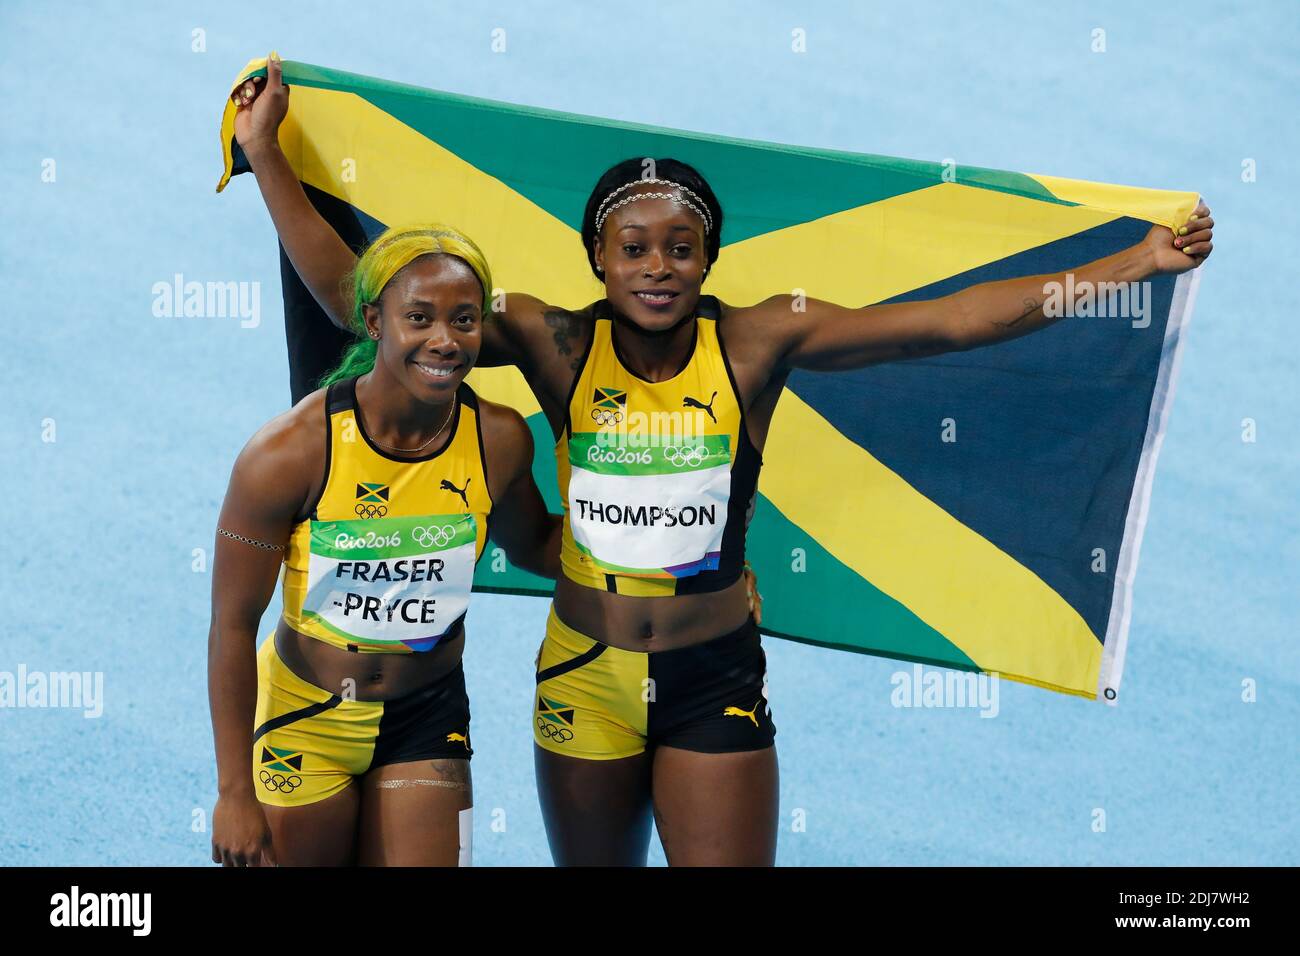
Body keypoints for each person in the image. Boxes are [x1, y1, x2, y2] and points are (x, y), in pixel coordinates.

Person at [231, 56, 1214, 865]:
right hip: (583, 674)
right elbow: (364, 302)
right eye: (633, 248)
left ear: (710, 259)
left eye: (680, 247)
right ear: (597, 259)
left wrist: (1135, 263)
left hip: (713, 676)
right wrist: (266, 153)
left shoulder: (755, 339)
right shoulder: (552, 338)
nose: (657, 267)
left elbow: (949, 321)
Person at [208, 221, 560, 866]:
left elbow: (538, 545)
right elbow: (232, 625)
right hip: (305, 718)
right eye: (419, 318)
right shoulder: (288, 454)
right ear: (374, 322)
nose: (444, 340)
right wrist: (234, 792)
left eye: (464, 320)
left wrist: (695, 544)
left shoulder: (499, 439)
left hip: (426, 718)